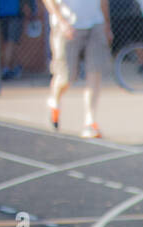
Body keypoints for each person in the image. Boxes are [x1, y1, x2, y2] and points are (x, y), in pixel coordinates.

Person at [41, 0, 110, 138]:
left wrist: (107, 25)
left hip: (95, 25)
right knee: (66, 78)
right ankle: (55, 101)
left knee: (94, 72)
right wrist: (62, 22)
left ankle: (89, 123)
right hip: (67, 27)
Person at [0, 0, 37, 79]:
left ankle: (15, 66)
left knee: (10, 42)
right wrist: (33, 10)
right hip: (12, 13)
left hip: (4, 13)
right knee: (11, 41)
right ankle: (6, 68)